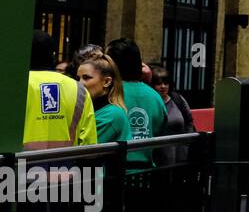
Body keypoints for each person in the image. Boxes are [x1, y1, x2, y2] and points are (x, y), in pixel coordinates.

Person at [23, 30, 97, 150]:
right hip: (66, 164)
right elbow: (89, 142)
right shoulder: (78, 88)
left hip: (19, 165)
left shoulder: (14, 87)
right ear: (53, 54)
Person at [104, 38, 166, 167]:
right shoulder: (155, 96)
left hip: (114, 172)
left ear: (114, 64)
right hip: (146, 172)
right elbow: (160, 129)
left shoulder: (109, 93)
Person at [75, 54, 135, 164]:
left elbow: (82, 152)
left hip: (101, 178)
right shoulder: (92, 108)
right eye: (78, 78)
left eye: (86, 78)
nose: (79, 84)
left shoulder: (112, 114)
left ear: (107, 82)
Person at [150, 66, 195, 166]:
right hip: (159, 157)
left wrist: (187, 143)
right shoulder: (150, 103)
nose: (163, 86)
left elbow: (189, 121)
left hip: (181, 154)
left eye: (166, 83)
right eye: (158, 83)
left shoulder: (177, 99)